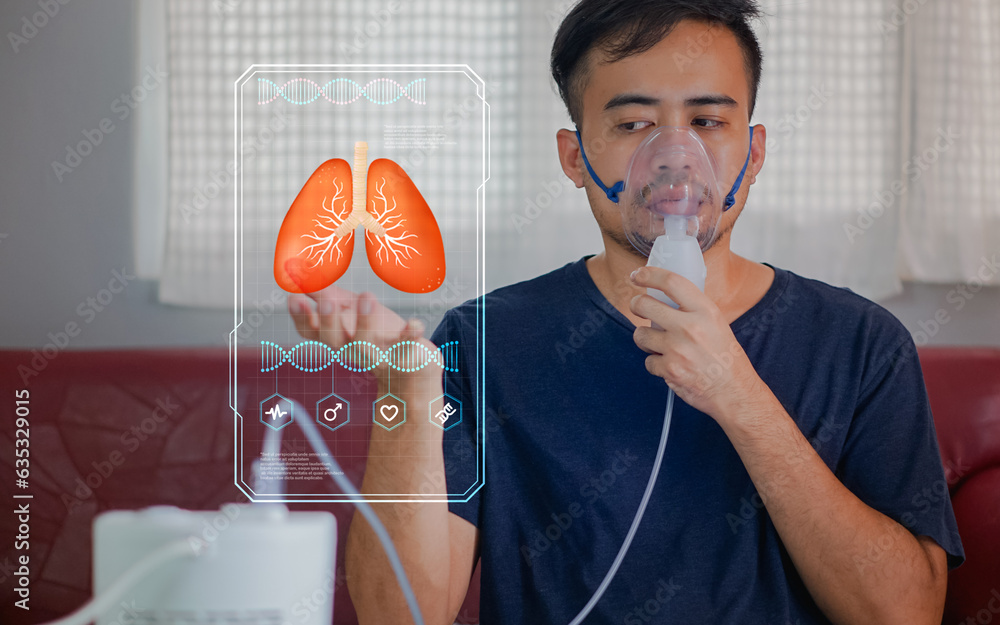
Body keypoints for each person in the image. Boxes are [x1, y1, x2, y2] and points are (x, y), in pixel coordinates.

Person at [287, 1, 964, 622]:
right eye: (633, 123)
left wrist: (738, 393)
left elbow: (905, 612)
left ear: (753, 153)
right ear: (574, 156)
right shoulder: (486, 341)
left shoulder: (860, 344)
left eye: (707, 121)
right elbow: (399, 614)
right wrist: (405, 387)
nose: (674, 160)